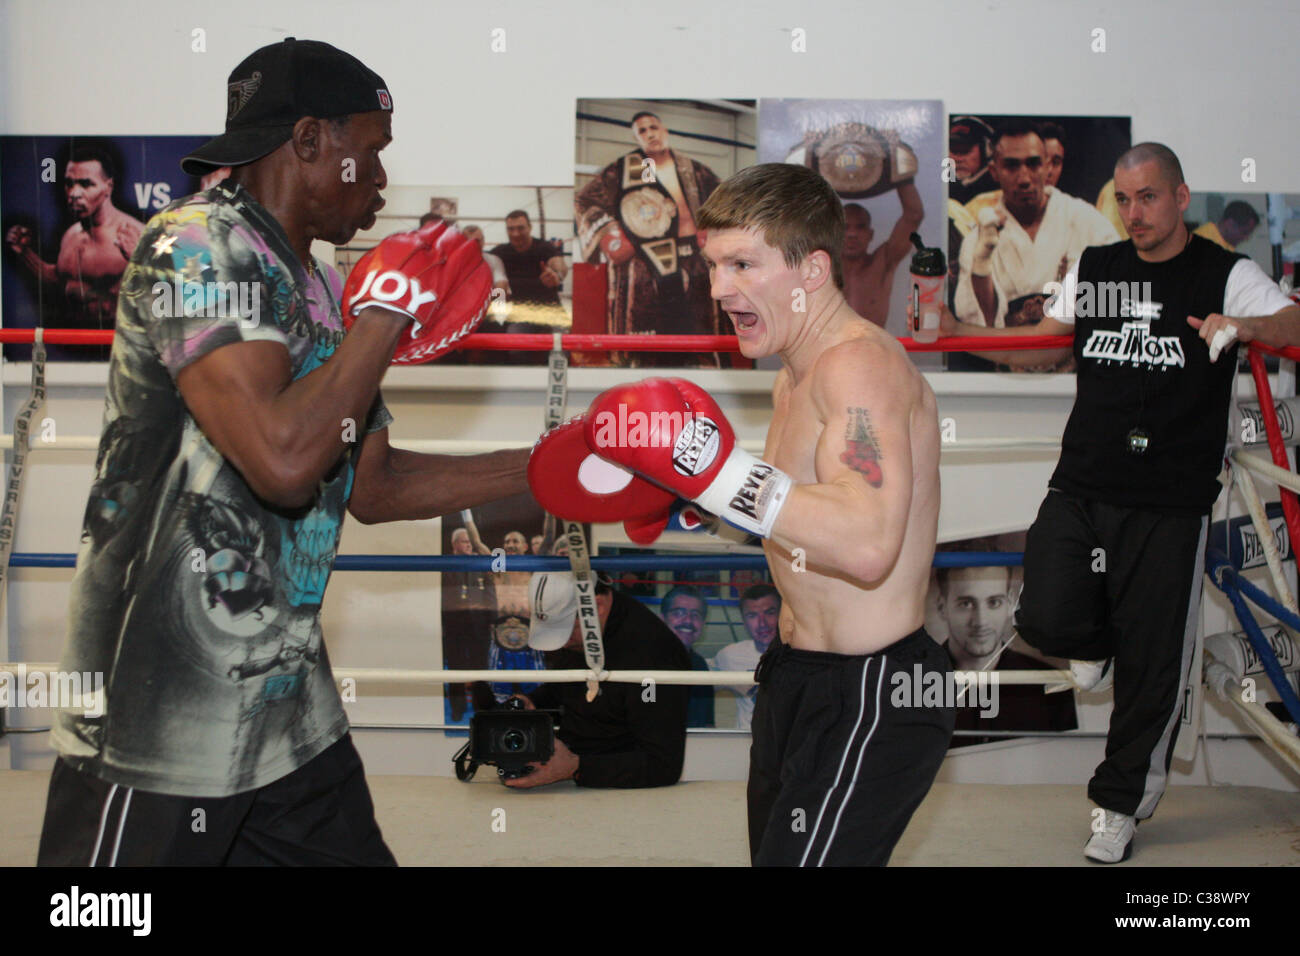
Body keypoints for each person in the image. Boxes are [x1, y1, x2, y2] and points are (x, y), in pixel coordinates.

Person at [36, 38, 532, 867]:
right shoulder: (192, 246)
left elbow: (372, 482)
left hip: (286, 706)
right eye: (369, 156)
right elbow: (283, 460)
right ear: (309, 141)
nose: (380, 182)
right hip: (156, 713)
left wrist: (560, 461)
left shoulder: (323, 283)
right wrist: (388, 316)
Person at [532, 162, 953, 865]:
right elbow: (790, 514)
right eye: (712, 265)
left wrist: (713, 470)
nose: (719, 288)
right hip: (795, 672)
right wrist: (684, 492)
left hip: (873, 688)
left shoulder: (859, 368)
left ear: (813, 269)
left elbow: (867, 541)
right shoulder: (795, 372)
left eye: (742, 265)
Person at [945, 143, 1298, 862]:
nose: (1136, 213)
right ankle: (1093, 644)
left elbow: (1294, 327)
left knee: (1155, 662)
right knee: (1044, 611)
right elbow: (1044, 343)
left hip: (1171, 497)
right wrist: (952, 340)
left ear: (1180, 197)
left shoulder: (1225, 273)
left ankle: (1118, 805)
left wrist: (1246, 328)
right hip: (1084, 481)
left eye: (1150, 198)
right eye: (1126, 199)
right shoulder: (1099, 267)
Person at [502, 572, 690, 789]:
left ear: (597, 606)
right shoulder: (584, 627)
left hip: (627, 797)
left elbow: (662, 766)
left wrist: (575, 767)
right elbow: (566, 687)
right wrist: (533, 702)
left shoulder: (653, 658)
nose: (562, 645)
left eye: (565, 631)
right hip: (572, 776)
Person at [953, 121, 1119, 358]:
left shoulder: (1086, 221)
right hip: (1005, 373)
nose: (1024, 178)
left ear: (1048, 166)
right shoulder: (977, 240)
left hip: (1076, 371)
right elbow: (980, 328)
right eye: (1011, 166)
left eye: (1033, 164)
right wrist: (982, 265)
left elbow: (1119, 297)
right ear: (994, 172)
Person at [574, 110, 726, 368]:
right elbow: (584, 200)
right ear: (637, 138)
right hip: (643, 263)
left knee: (699, 338)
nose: (650, 134)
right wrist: (612, 237)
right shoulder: (622, 169)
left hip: (696, 262)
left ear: (664, 130)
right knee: (644, 344)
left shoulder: (694, 170)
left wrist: (715, 231)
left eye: (653, 127)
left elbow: (728, 201)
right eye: (642, 131)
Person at [4, 143, 144, 360]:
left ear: (108, 186)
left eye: (86, 184)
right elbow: (60, 280)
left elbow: (169, 292)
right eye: (69, 184)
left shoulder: (132, 234)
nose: (74, 193)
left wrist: (141, 263)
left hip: (120, 353)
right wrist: (25, 254)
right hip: (74, 348)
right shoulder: (72, 235)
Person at [934, 562, 1076, 747]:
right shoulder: (910, 687)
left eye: (994, 602)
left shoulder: (1053, 688)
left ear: (1010, 604)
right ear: (942, 608)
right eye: (966, 604)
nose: (980, 621)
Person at [841, 182, 925, 329]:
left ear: (870, 234)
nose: (852, 234)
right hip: (829, 350)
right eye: (845, 227)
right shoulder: (819, 267)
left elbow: (914, 215)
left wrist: (903, 175)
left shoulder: (883, 262)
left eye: (860, 227)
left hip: (873, 348)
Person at [712, 584, 781, 731]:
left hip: (787, 742)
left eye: (769, 613)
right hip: (745, 739)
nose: (762, 623)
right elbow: (703, 685)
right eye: (752, 615)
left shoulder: (800, 655)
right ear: (744, 621)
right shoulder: (729, 656)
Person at [660, 585, 716, 728]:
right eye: (679, 613)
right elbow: (645, 711)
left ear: (703, 624)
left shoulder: (699, 665)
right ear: (662, 619)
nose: (688, 621)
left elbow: (706, 724)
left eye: (695, 615)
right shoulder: (645, 661)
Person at [1194, 200, 1261, 251]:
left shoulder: (1227, 242)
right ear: (1230, 224)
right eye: (1244, 233)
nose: (1246, 238)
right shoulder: (1203, 241)